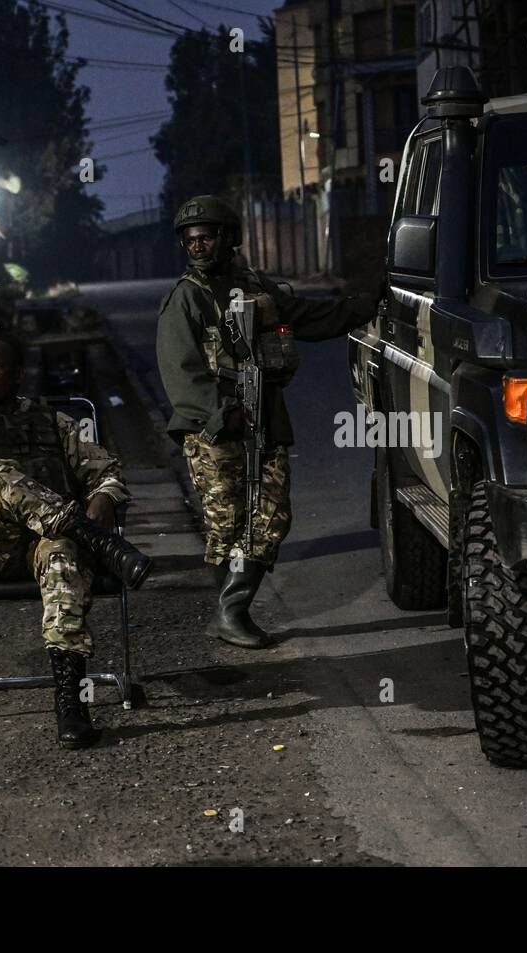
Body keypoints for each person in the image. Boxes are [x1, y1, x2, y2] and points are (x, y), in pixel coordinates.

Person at [156, 195, 376, 649]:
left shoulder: (255, 285)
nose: (198, 246)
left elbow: (309, 318)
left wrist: (363, 304)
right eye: (191, 240)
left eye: (206, 237)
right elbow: (182, 373)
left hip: (264, 419)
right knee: (227, 523)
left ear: (229, 238)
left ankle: (230, 611)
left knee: (271, 517)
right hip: (213, 431)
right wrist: (222, 413)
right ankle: (231, 612)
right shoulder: (185, 299)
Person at [0, 336, 154, 749]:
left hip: (46, 544)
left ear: (18, 376)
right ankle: (97, 541)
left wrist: (103, 496)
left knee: (63, 556)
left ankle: (70, 702)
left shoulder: (52, 422)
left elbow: (106, 469)